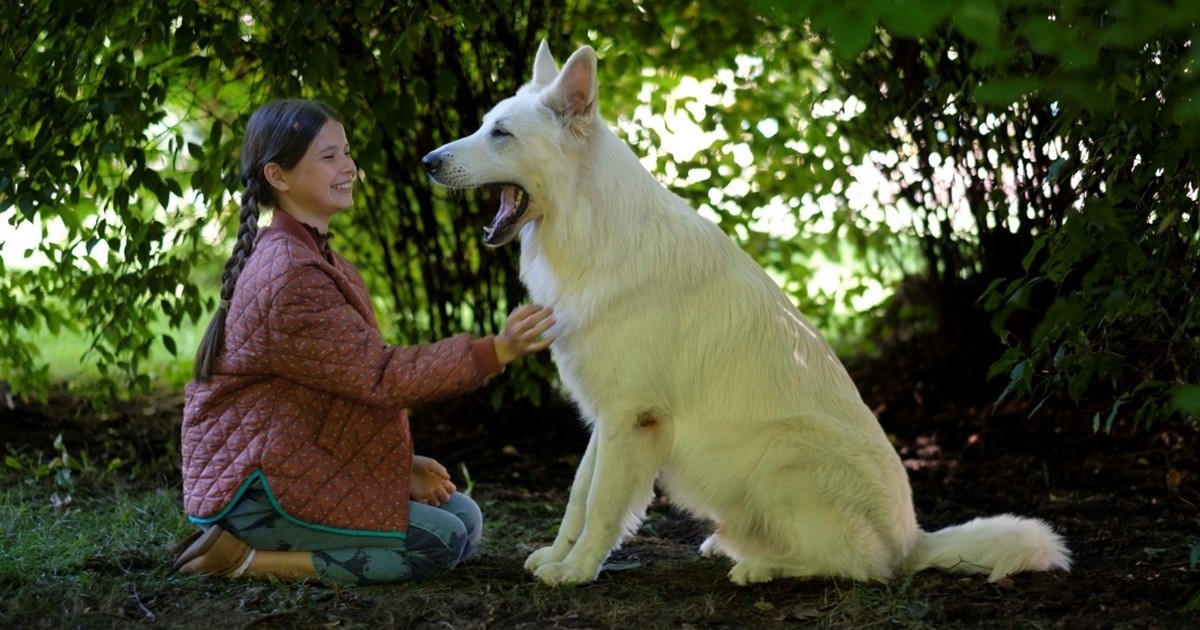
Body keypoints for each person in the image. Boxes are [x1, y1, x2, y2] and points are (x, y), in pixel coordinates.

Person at [171, 98, 555, 585]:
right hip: (255, 492)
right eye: (328, 156)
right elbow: (380, 376)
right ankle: (244, 560)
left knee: (465, 520)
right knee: (439, 541)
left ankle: (265, 547)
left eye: (347, 153)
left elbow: (337, 387)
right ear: (279, 176)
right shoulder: (289, 275)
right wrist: (494, 350)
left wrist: (395, 465)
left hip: (292, 461)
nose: (348, 167)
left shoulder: (313, 255)